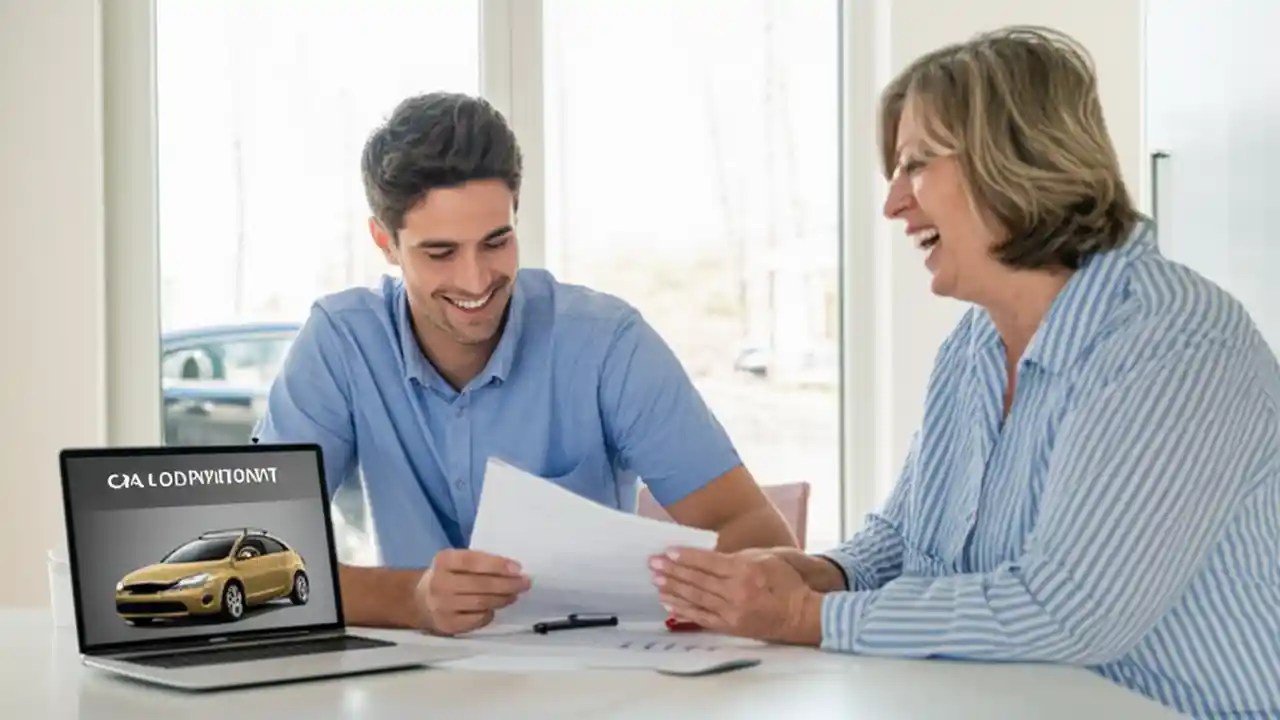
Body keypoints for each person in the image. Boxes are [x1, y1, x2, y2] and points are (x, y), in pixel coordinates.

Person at [649, 25, 1280, 718]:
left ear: (1015, 159)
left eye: (916, 165)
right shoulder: (975, 345)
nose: (893, 203)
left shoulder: (1177, 343)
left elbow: (1070, 612)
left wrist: (807, 616)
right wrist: (828, 574)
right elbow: (908, 539)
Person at [254, 92, 797, 637]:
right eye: (440, 252)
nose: (475, 280)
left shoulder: (606, 343)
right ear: (385, 243)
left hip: (593, 672)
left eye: (497, 241)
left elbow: (761, 539)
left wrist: (661, 587)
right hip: (409, 685)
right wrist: (411, 599)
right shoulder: (341, 343)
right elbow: (251, 555)